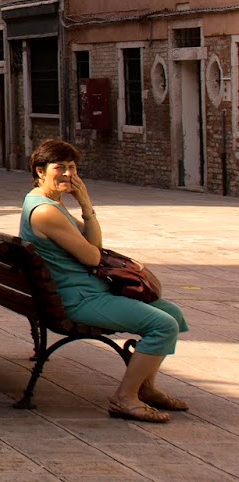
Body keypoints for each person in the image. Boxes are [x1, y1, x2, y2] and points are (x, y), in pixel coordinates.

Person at [22, 137, 189, 422]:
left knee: (171, 311)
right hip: (77, 299)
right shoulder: (47, 211)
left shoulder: (44, 201)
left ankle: (145, 387)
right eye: (59, 168)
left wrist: (86, 205)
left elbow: (93, 244)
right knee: (163, 325)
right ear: (40, 171)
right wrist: (86, 208)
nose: (68, 174)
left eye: (72, 168)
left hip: (79, 291)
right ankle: (124, 398)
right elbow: (92, 257)